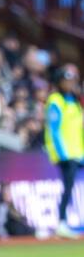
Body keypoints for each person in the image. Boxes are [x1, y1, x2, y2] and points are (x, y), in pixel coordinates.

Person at [44, 64, 82, 238]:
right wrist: (61, 153)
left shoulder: (74, 102)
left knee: (71, 187)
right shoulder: (55, 101)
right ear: (59, 81)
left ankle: (63, 222)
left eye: (73, 80)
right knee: (67, 187)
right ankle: (61, 222)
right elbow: (54, 129)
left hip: (78, 152)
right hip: (66, 154)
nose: (70, 84)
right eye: (67, 80)